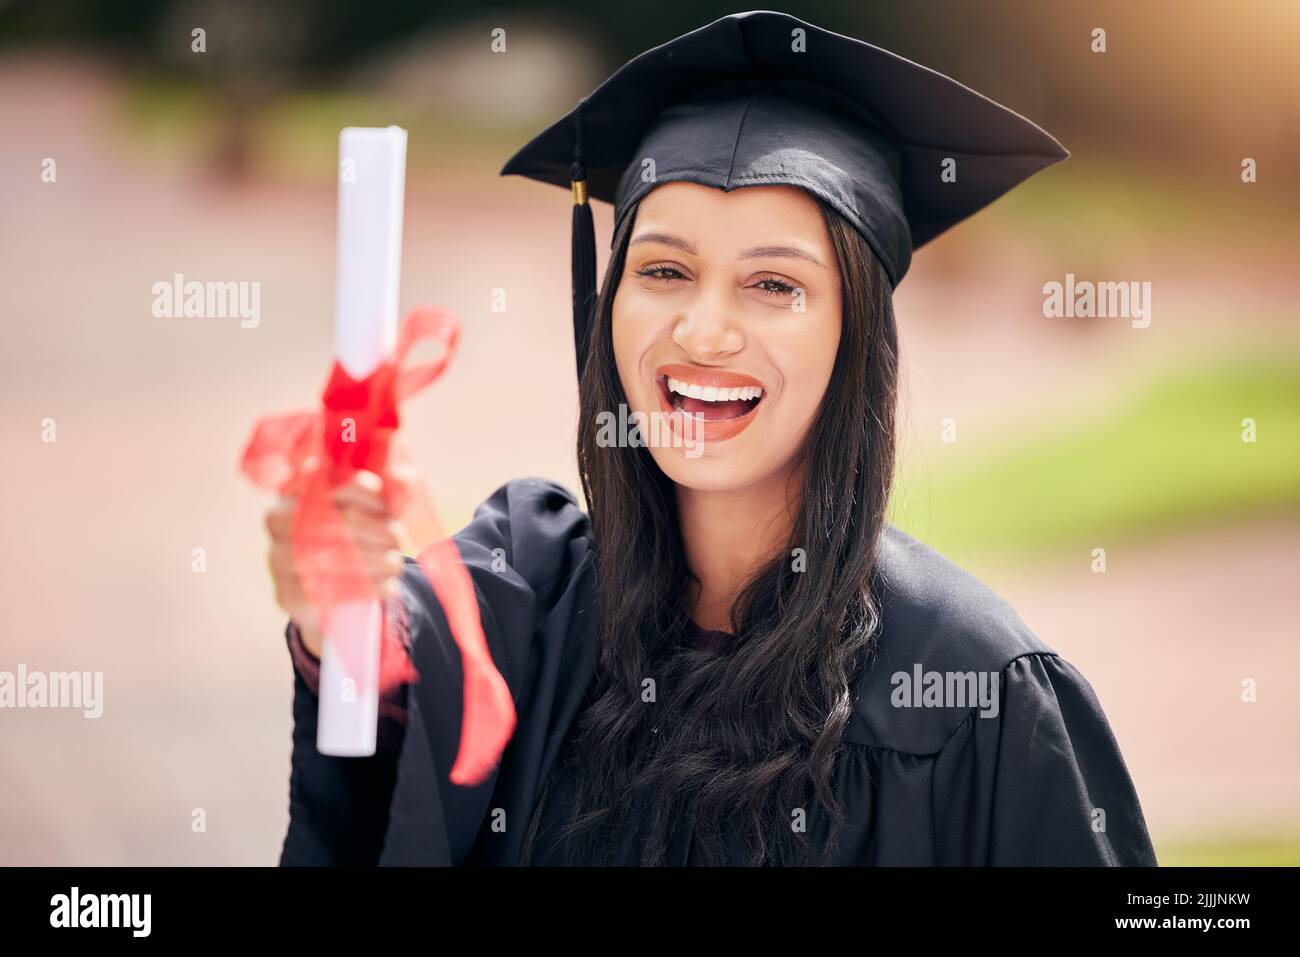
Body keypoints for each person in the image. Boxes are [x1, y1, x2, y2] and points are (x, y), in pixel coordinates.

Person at [266, 10, 1158, 866]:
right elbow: (391, 745)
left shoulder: (975, 694)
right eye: (663, 269)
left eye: (774, 285)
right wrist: (338, 622)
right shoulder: (528, 608)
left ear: (857, 340)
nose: (702, 330)